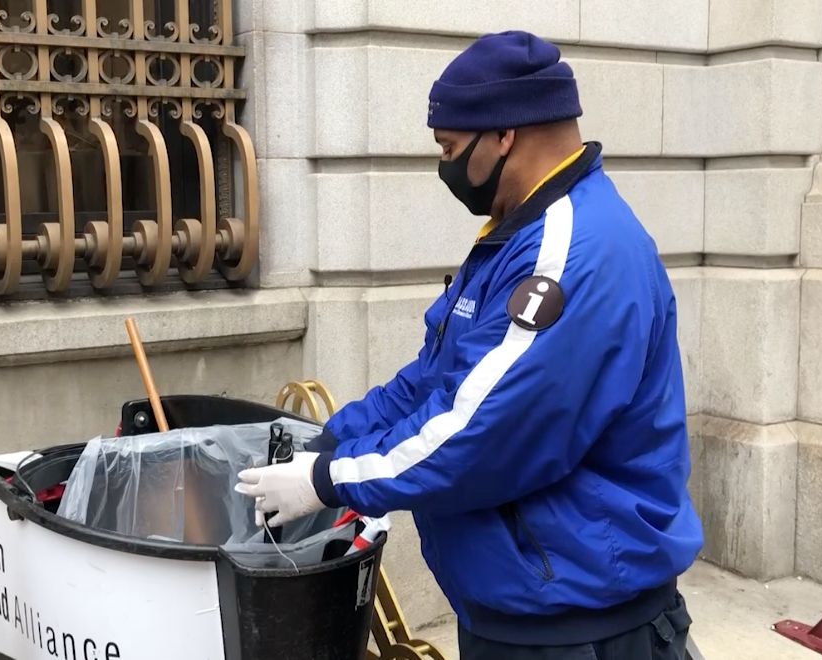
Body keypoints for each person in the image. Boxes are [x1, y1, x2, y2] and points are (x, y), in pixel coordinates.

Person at [236, 30, 704, 660]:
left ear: (504, 134)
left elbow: (478, 432)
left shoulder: (569, 255)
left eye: (451, 147)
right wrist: (331, 439)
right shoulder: (516, 236)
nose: (446, 167)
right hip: (524, 609)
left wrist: (329, 480)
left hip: (581, 628)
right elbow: (434, 378)